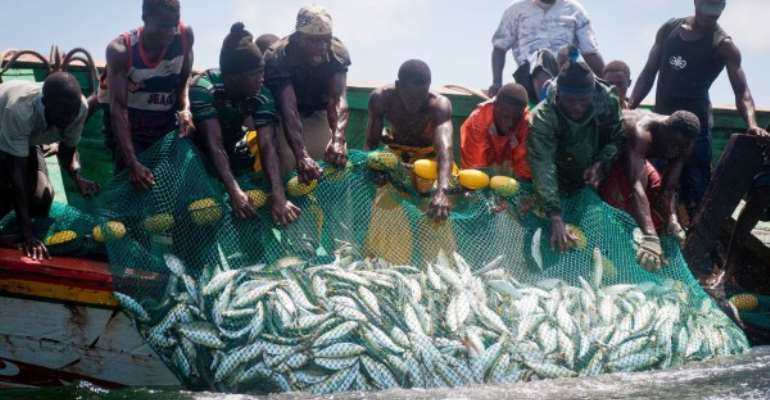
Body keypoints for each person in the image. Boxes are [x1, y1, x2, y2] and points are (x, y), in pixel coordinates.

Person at [629, 0, 768, 218]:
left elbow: (742, 92)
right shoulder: (669, 29)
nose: (709, 18)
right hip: (662, 123)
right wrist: (630, 107)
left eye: (714, 14)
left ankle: (695, 241)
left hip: (696, 129)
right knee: (649, 183)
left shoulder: (723, 45)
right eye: (706, 11)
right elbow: (648, 73)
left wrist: (752, 124)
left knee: (697, 192)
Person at [190, 23, 299, 225]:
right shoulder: (204, 88)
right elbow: (214, 144)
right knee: (198, 213)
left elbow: (267, 145)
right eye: (255, 75)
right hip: (196, 153)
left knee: (249, 206)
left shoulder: (261, 94)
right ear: (232, 78)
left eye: (262, 72)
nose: (261, 79)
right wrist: (233, 190)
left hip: (232, 148)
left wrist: (279, 194)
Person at [527, 56, 624, 252]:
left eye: (583, 101)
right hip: (553, 180)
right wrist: (554, 215)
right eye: (570, 101)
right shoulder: (543, 116)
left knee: (588, 245)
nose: (577, 107)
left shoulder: (607, 100)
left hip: (590, 180)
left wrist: (601, 164)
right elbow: (543, 164)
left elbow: (617, 138)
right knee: (544, 244)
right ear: (559, 94)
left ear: (592, 95)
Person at [0, 73, 99, 260]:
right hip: (3, 129)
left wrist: (77, 178)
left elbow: (66, 152)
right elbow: (17, 176)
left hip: (28, 140)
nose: (70, 118)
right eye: (63, 113)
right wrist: (28, 235)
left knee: (41, 197)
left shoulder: (80, 108)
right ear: (46, 103)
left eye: (73, 111)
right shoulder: (19, 110)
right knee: (6, 193)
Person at [100, 0, 195, 191]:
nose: (170, 33)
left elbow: (184, 82)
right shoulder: (121, 50)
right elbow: (118, 110)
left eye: (173, 25)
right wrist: (132, 163)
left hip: (162, 121)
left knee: (168, 185)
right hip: (129, 125)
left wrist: (185, 109)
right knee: (132, 184)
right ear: (145, 19)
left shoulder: (184, 36)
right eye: (162, 27)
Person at [600, 110, 701, 271]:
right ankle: (611, 252)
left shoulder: (686, 143)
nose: (674, 150)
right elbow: (637, 185)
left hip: (639, 161)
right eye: (672, 143)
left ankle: (653, 253)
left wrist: (672, 219)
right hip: (615, 156)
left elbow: (667, 189)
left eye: (679, 147)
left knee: (660, 208)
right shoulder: (642, 131)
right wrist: (650, 236)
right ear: (663, 130)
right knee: (620, 204)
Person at [264, 5, 350, 181]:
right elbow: (289, 109)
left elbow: (337, 99)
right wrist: (301, 155)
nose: (321, 46)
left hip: (318, 111)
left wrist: (338, 139)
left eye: (325, 40)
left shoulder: (337, 52)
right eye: (313, 41)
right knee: (290, 160)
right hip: (283, 114)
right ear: (298, 38)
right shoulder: (278, 56)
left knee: (335, 159)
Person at [365, 60, 454, 220]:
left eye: (421, 97)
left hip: (429, 160)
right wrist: (373, 170)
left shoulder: (439, 105)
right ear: (398, 86)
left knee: (437, 211)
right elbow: (371, 144)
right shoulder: (380, 98)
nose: (416, 104)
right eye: (411, 98)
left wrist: (442, 192)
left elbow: (445, 151)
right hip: (395, 157)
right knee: (384, 209)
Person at [490, 0, 605, 97]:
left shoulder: (575, 10)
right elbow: (500, 48)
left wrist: (608, 83)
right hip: (527, 76)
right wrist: (497, 83)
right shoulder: (516, 10)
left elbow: (590, 53)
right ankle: (548, 103)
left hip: (566, 74)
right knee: (543, 56)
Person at [460, 83, 531, 179]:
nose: (510, 123)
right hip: (480, 173)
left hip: (507, 181)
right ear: (496, 107)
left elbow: (524, 171)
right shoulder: (477, 123)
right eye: (506, 117)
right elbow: (475, 172)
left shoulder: (526, 123)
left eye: (515, 119)